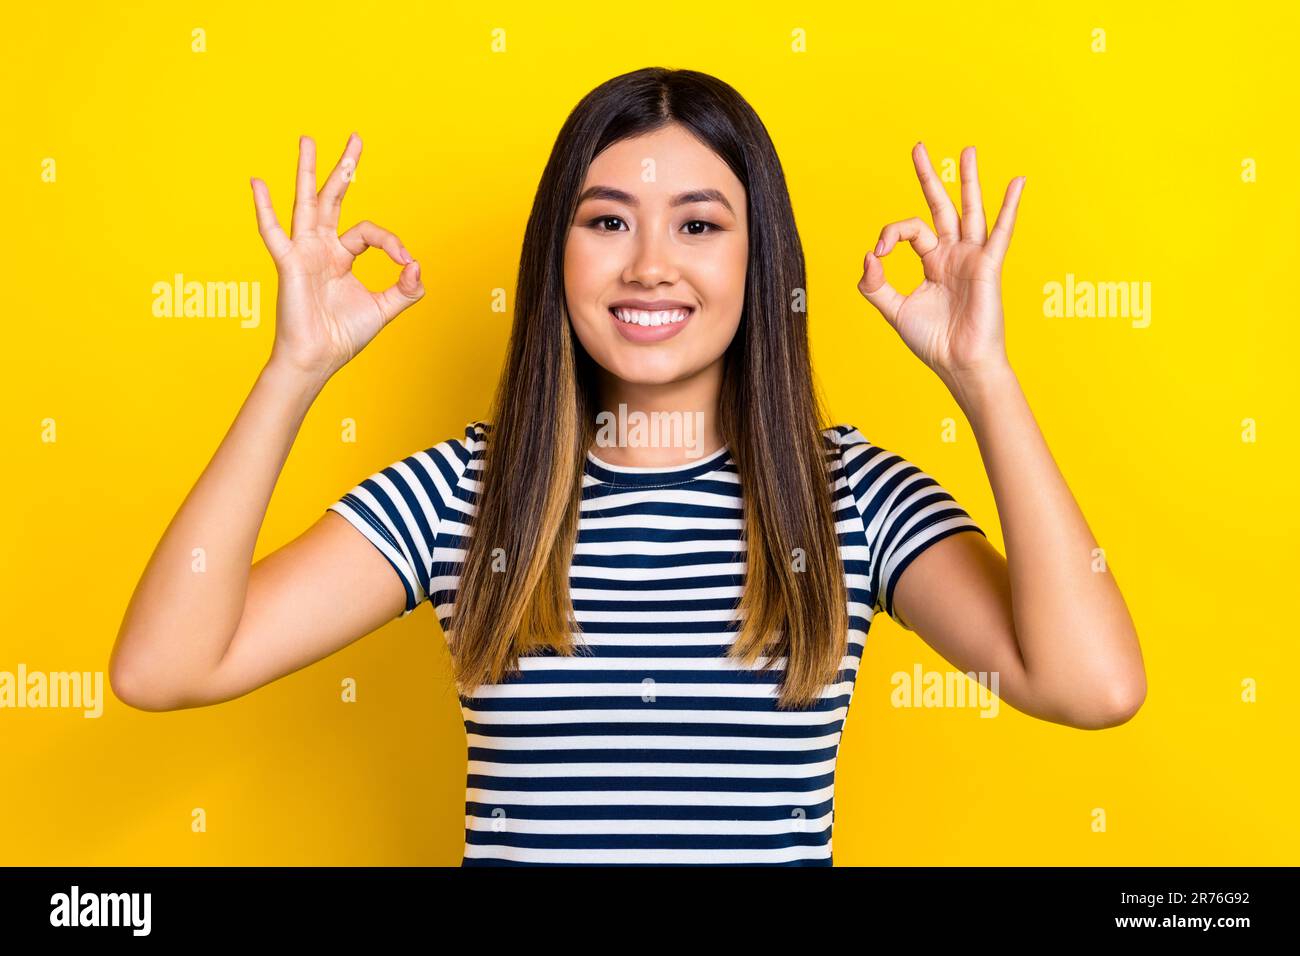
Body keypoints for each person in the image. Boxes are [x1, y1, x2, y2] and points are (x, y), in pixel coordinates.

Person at [110, 67, 1146, 866]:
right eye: (606, 220)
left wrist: (984, 377)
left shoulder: (850, 498)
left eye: (698, 224)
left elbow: (1091, 684)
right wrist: (293, 371)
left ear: (759, 260)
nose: (649, 263)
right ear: (554, 255)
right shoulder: (460, 496)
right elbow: (163, 667)